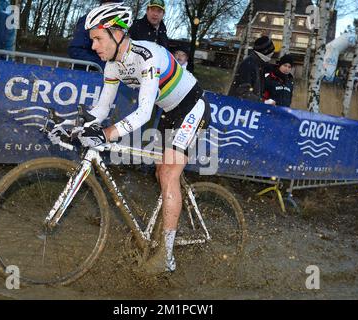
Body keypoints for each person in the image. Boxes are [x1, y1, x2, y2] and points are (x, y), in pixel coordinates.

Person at [48, 2, 211, 274]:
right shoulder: (112, 66)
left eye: (98, 39)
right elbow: (100, 110)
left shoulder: (146, 55)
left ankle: (167, 257)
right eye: (92, 40)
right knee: (161, 172)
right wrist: (70, 126)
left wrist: (107, 134)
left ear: (116, 32)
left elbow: (144, 112)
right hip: (169, 111)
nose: (94, 46)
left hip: (193, 106)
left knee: (169, 173)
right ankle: (166, 225)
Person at [67, 0, 123, 70]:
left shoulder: (121, 22)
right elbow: (75, 49)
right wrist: (103, 65)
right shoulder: (88, 20)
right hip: (89, 73)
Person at [228, 36, 275, 102]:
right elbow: (242, 92)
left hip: (246, 108)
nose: (273, 53)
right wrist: (262, 102)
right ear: (266, 51)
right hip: (238, 108)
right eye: (272, 50)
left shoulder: (260, 65)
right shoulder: (248, 65)